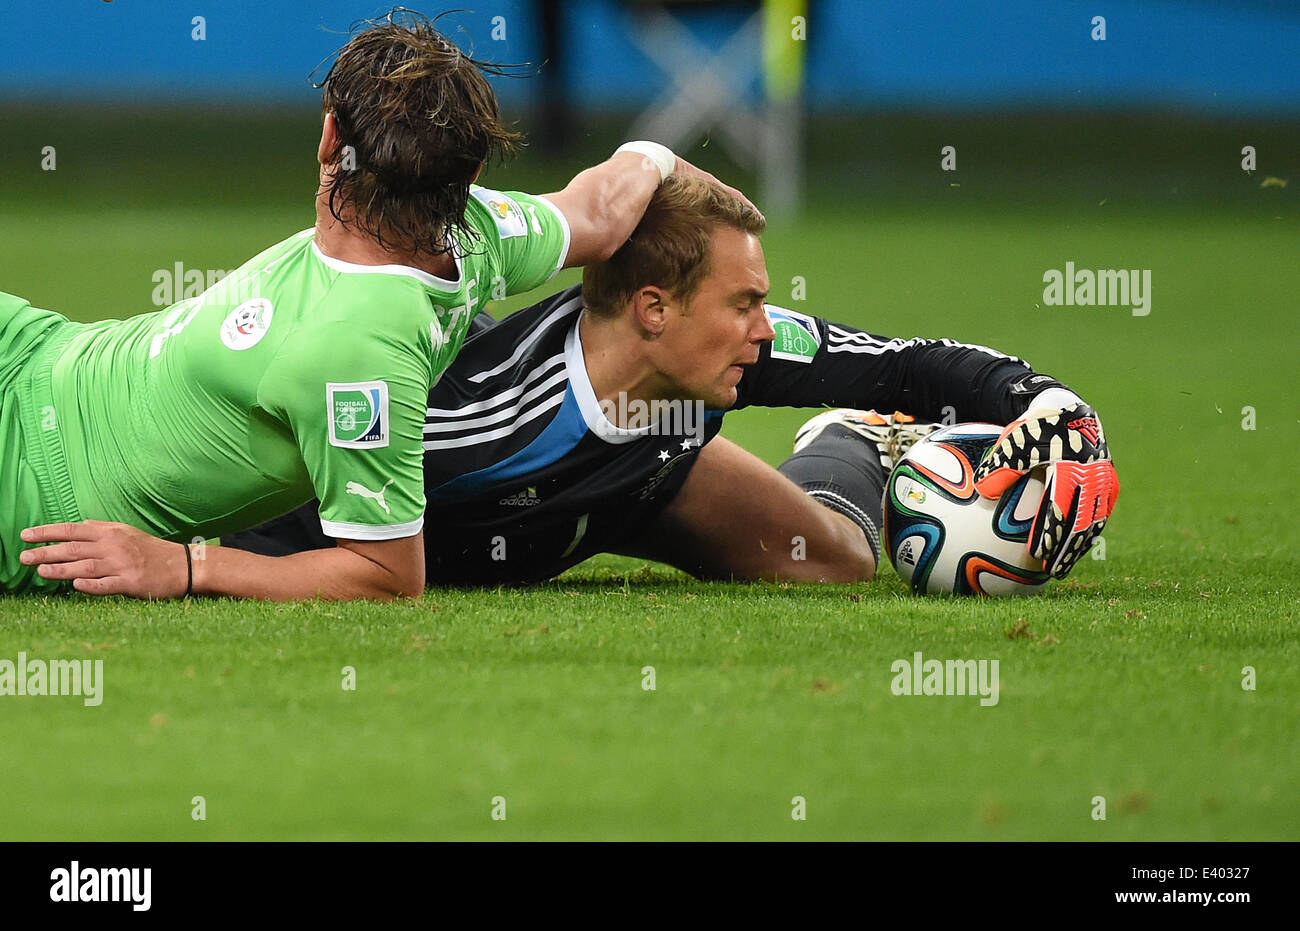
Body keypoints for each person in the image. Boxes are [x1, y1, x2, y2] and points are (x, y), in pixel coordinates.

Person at [1, 11, 750, 600]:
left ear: (330, 137)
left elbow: (386, 572)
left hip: (33, 484)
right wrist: (664, 159)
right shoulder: (484, 233)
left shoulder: (357, 354)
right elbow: (602, 210)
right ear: (472, 171)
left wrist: (188, 566)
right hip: (32, 343)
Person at [227, 175, 1119, 586]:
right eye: (744, 303)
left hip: (643, 477)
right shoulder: (475, 428)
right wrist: (179, 561)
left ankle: (854, 442)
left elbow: (903, 363)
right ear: (654, 307)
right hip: (519, 513)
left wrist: (1043, 402)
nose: (765, 328)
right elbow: (290, 510)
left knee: (839, 562)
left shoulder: (714, 348)